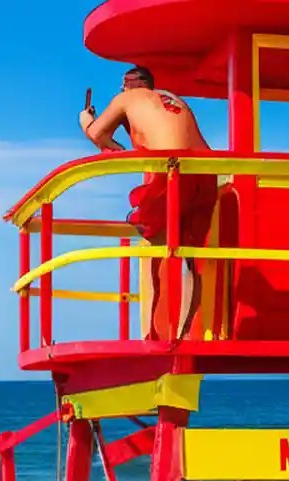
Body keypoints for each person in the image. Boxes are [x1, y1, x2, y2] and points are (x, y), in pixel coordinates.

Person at [78, 66, 217, 341]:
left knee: (158, 253)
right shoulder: (171, 99)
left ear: (128, 85)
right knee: (191, 260)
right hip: (205, 173)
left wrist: (85, 120)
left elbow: (98, 136)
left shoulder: (128, 98)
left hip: (172, 171)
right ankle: (186, 332)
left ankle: (156, 335)